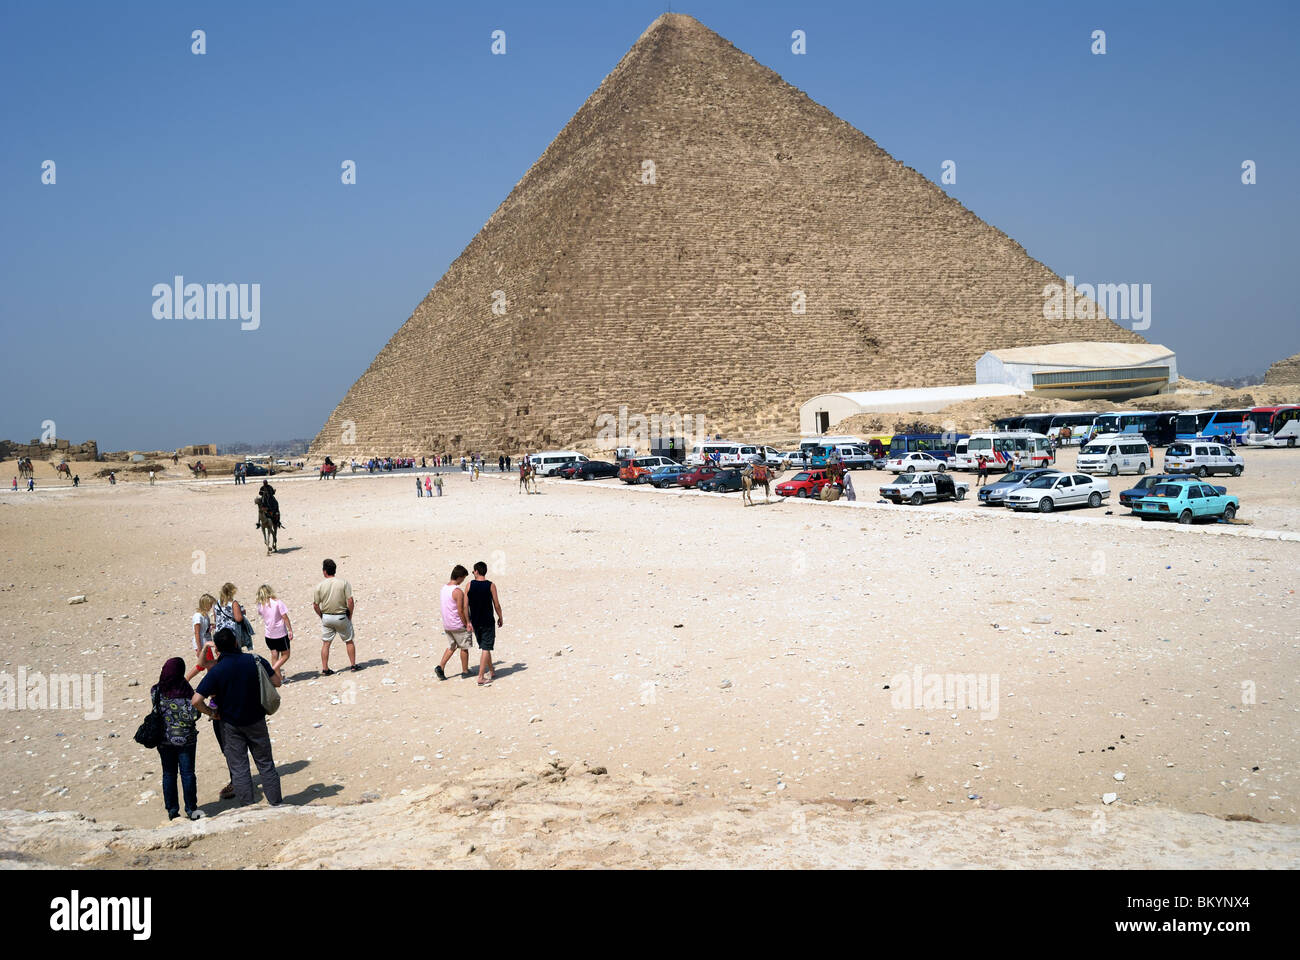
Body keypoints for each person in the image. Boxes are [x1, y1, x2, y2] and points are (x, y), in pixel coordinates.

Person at [192, 629, 283, 808]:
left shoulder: (217, 670)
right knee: (265, 764)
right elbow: (277, 682)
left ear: (217, 649)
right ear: (236, 642)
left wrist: (212, 713)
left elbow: (196, 700)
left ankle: (248, 808)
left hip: (230, 724)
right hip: (256, 719)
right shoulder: (255, 660)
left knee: (239, 768)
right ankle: (276, 805)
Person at [152, 657, 202, 822]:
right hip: (186, 740)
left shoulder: (156, 690)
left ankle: (172, 811)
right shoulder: (186, 691)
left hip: (164, 740)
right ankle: (191, 809)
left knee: (168, 774)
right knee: (187, 774)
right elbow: (195, 714)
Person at [312, 558, 356, 675]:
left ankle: (325, 669)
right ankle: (353, 665)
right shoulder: (344, 583)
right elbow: (350, 601)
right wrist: (350, 614)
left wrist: (322, 615)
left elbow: (315, 605)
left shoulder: (319, 586)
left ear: (324, 571)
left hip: (327, 617)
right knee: (349, 641)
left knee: (326, 643)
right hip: (341, 616)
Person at [467, 561, 504, 686]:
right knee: (486, 648)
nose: (473, 573)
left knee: (485, 647)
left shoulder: (469, 585)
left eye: (473, 571)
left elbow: (464, 606)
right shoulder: (491, 585)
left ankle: (492, 671)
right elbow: (496, 604)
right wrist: (500, 617)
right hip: (487, 621)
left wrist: (467, 621)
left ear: (477, 571)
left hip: (475, 621)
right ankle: (481, 677)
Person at [435, 565, 474, 680]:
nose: (463, 581)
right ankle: (465, 671)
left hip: (447, 624)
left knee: (452, 646)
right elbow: (461, 610)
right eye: (463, 578)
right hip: (457, 624)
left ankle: (440, 667)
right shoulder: (457, 591)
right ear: (459, 577)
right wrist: (467, 623)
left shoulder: (444, 588)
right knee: (464, 647)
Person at [256, 584, 294, 677]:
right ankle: (272, 671)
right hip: (280, 634)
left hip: (269, 635)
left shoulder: (260, 605)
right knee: (286, 655)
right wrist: (290, 630)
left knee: (274, 655)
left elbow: (262, 614)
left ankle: (279, 678)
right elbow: (284, 616)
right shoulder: (277, 602)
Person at [185, 593, 219, 682]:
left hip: (206, 642)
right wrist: (200, 649)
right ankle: (210, 684)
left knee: (203, 665)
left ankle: (187, 679)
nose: (211, 607)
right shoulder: (198, 617)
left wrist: (212, 626)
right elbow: (197, 633)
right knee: (209, 664)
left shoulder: (205, 615)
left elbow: (205, 628)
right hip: (202, 644)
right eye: (210, 604)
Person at [213, 583, 251, 651]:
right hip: (230, 633)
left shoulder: (217, 603)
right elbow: (238, 619)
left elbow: (216, 619)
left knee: (222, 653)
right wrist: (242, 613)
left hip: (219, 632)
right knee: (234, 652)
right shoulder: (233, 603)